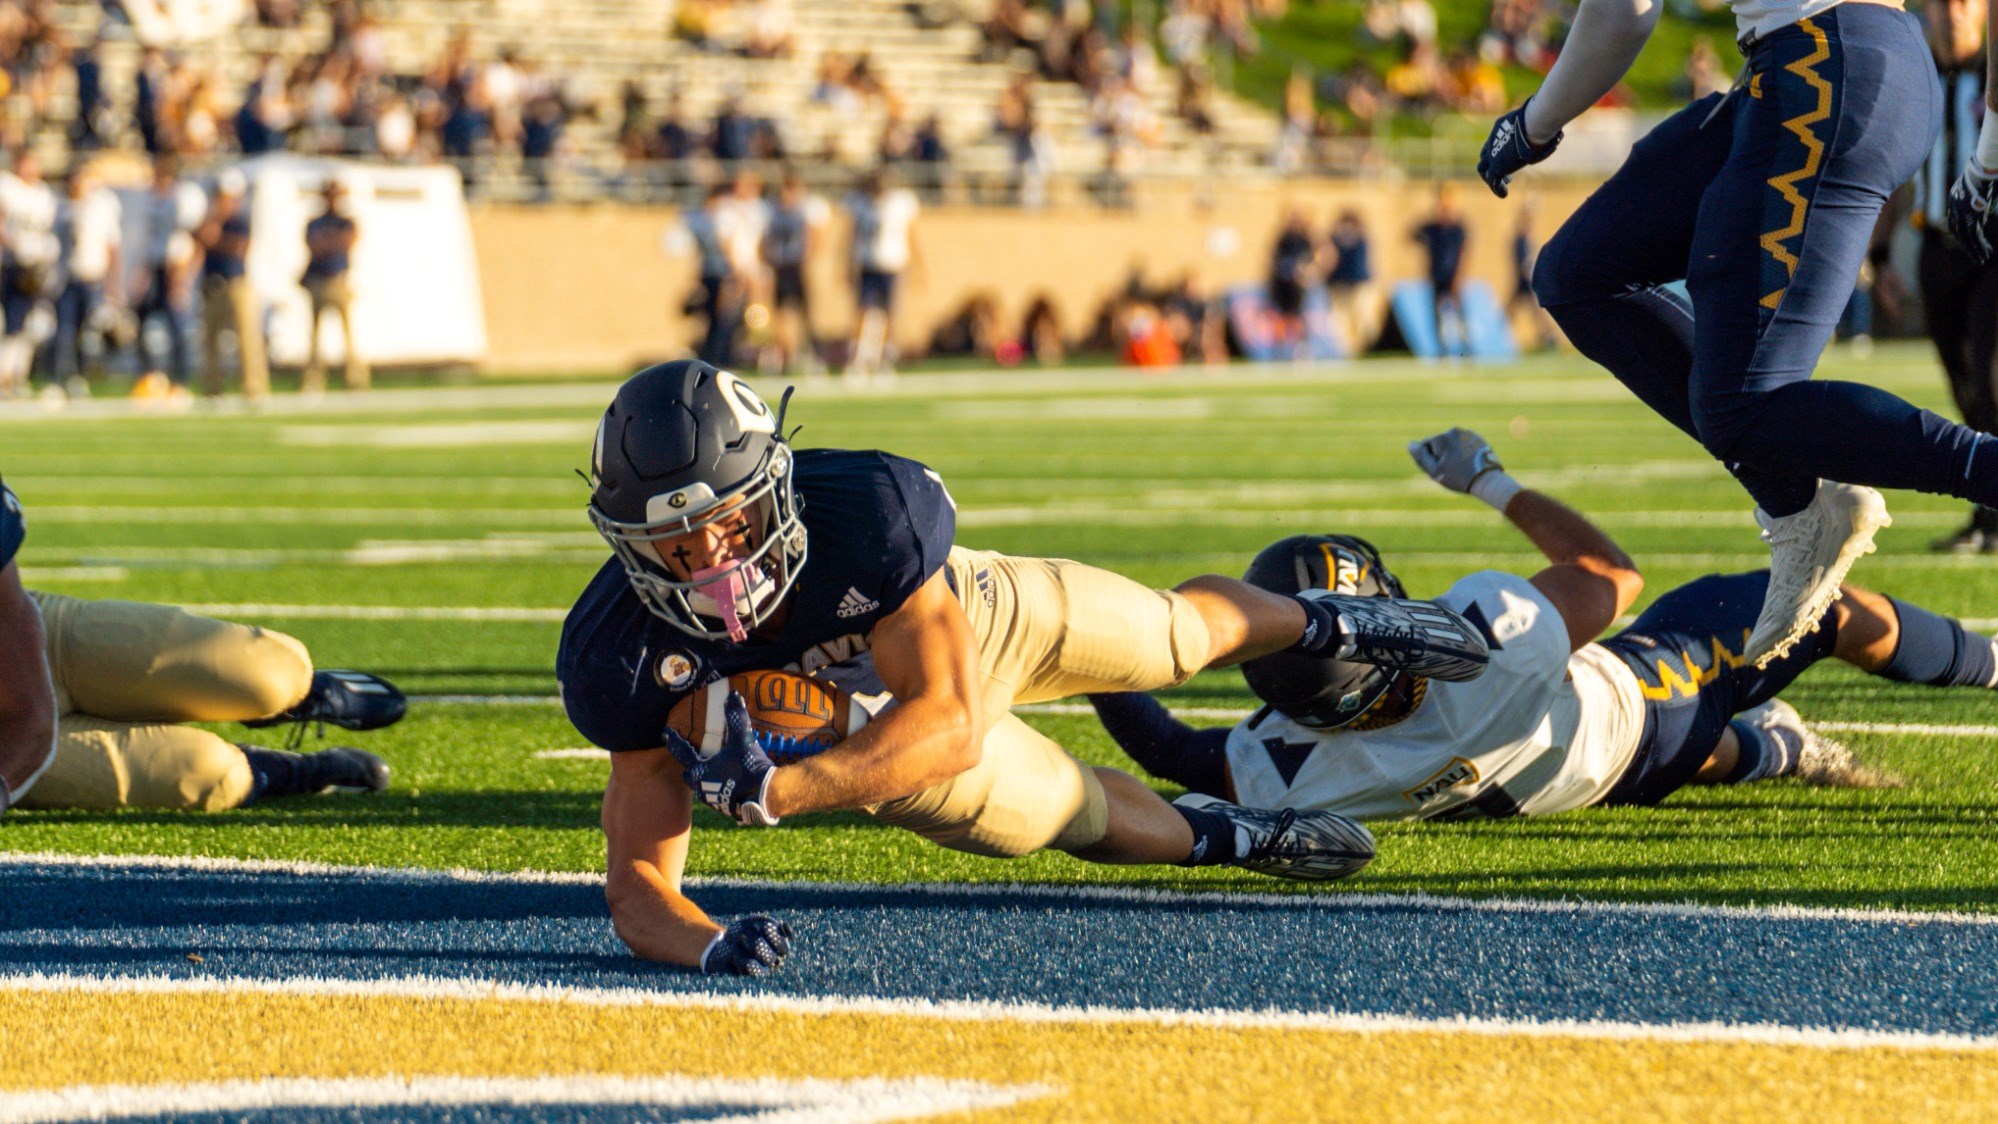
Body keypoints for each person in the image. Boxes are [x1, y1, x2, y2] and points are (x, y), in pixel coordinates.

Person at [559, 362, 1496, 975]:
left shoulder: (869, 515)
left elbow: (953, 717)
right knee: (1072, 815)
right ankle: (1233, 837)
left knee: (1169, 639)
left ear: (774, 485)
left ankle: (1329, 622)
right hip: (875, 748)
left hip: (970, 625)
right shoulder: (621, 656)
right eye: (673, 543)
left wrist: (787, 791)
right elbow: (637, 888)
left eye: (725, 521)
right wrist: (709, 943)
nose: (712, 560)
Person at [1087, 427, 1998, 823]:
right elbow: (1612, 575)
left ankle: (1776, 752)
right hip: (1644, 707)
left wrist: (1081, 647)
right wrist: (1490, 479)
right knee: (1818, 610)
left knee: (1657, 742)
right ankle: (1987, 663)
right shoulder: (1487, 640)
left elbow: (1171, 753)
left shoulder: (1290, 768)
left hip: (1558, 783)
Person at [1478, 0, 1998, 670]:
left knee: (1739, 405)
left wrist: (1532, 123)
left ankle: (1962, 475)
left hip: (1819, 72)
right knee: (1578, 272)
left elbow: (1623, 12)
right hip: (1818, 71)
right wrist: (1989, 150)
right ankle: (1801, 507)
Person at [0, 473, 402, 813]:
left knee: (265, 673)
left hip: (30, 642)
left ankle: (302, 693)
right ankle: (270, 772)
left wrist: (30, 715)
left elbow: (11, 615)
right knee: (206, 772)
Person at [1920, 0, 1998, 552]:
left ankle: (1992, 521)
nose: (1952, 12)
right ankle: (1987, 509)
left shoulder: (1992, 68)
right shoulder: (1914, 72)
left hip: (1994, 246)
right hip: (1937, 248)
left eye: (1964, 1)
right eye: (1942, 1)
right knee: (1964, 387)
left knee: (1993, 377)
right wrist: (1874, 257)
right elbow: (1901, 174)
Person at [0, 473, 56, 817]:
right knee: (211, 770)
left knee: (247, 670)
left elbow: (30, 714)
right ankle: (253, 764)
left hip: (29, 650)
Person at [194, 169, 268, 402]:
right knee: (209, 340)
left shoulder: (239, 221)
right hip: (212, 286)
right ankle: (214, 387)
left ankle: (253, 387)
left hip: (236, 285)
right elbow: (202, 238)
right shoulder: (211, 219)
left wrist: (216, 240)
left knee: (247, 339)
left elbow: (238, 248)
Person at [132, 155, 201, 401]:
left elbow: (193, 240)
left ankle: (180, 382)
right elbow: (149, 240)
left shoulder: (182, 198)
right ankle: (150, 377)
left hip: (175, 267)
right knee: (140, 318)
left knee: (178, 326)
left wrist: (183, 278)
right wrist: (142, 272)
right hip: (155, 267)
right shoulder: (151, 200)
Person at [844, 168, 920, 381]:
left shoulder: (900, 204)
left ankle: (885, 359)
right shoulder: (860, 204)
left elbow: (911, 235)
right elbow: (852, 237)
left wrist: (917, 265)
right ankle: (857, 358)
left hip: (893, 264)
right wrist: (849, 264)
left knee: (891, 314)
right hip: (868, 263)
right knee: (861, 313)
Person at [52, 163, 121, 398]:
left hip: (92, 278)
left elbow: (112, 247)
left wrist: (113, 284)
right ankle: (61, 377)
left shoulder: (101, 207)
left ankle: (81, 377)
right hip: (66, 278)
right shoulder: (60, 207)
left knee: (88, 333)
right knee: (64, 331)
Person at [302, 180, 368, 393]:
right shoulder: (315, 222)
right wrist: (331, 243)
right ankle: (314, 379)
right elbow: (315, 246)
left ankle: (354, 378)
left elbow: (347, 242)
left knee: (349, 334)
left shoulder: (345, 222)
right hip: (319, 280)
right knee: (314, 335)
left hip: (339, 280)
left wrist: (328, 242)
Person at [0, 150, 56, 398]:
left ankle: (17, 375)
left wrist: (42, 256)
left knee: (28, 323)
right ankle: (5, 375)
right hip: (10, 263)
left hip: (33, 265)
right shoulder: (8, 186)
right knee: (10, 321)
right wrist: (14, 245)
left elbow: (45, 231)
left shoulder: (43, 194)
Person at [760, 172, 826, 375]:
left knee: (805, 314)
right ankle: (782, 354)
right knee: (779, 314)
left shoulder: (805, 209)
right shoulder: (771, 210)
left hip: (797, 265)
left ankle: (810, 354)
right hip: (780, 266)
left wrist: (807, 257)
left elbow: (815, 237)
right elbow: (765, 240)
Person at [1412, 183, 1468, 357]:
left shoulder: (1457, 229)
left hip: (1452, 276)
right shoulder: (1432, 228)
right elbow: (1411, 234)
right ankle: (1442, 349)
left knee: (1459, 314)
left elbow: (1463, 253)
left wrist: (1458, 277)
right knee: (1437, 315)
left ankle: (1465, 347)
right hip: (1436, 276)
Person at [1267, 208, 1317, 359]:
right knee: (1282, 317)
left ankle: (1301, 348)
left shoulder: (1304, 239)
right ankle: (1280, 349)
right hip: (1283, 284)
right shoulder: (1283, 238)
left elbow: (1310, 260)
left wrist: (1303, 272)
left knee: (1298, 316)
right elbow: (1275, 261)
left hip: (1297, 285)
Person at [1325, 209, 1375, 356]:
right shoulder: (1333, 240)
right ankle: (1348, 352)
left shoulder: (1361, 238)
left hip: (1358, 284)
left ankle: (1362, 349)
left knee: (1362, 318)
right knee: (1341, 321)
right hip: (1339, 285)